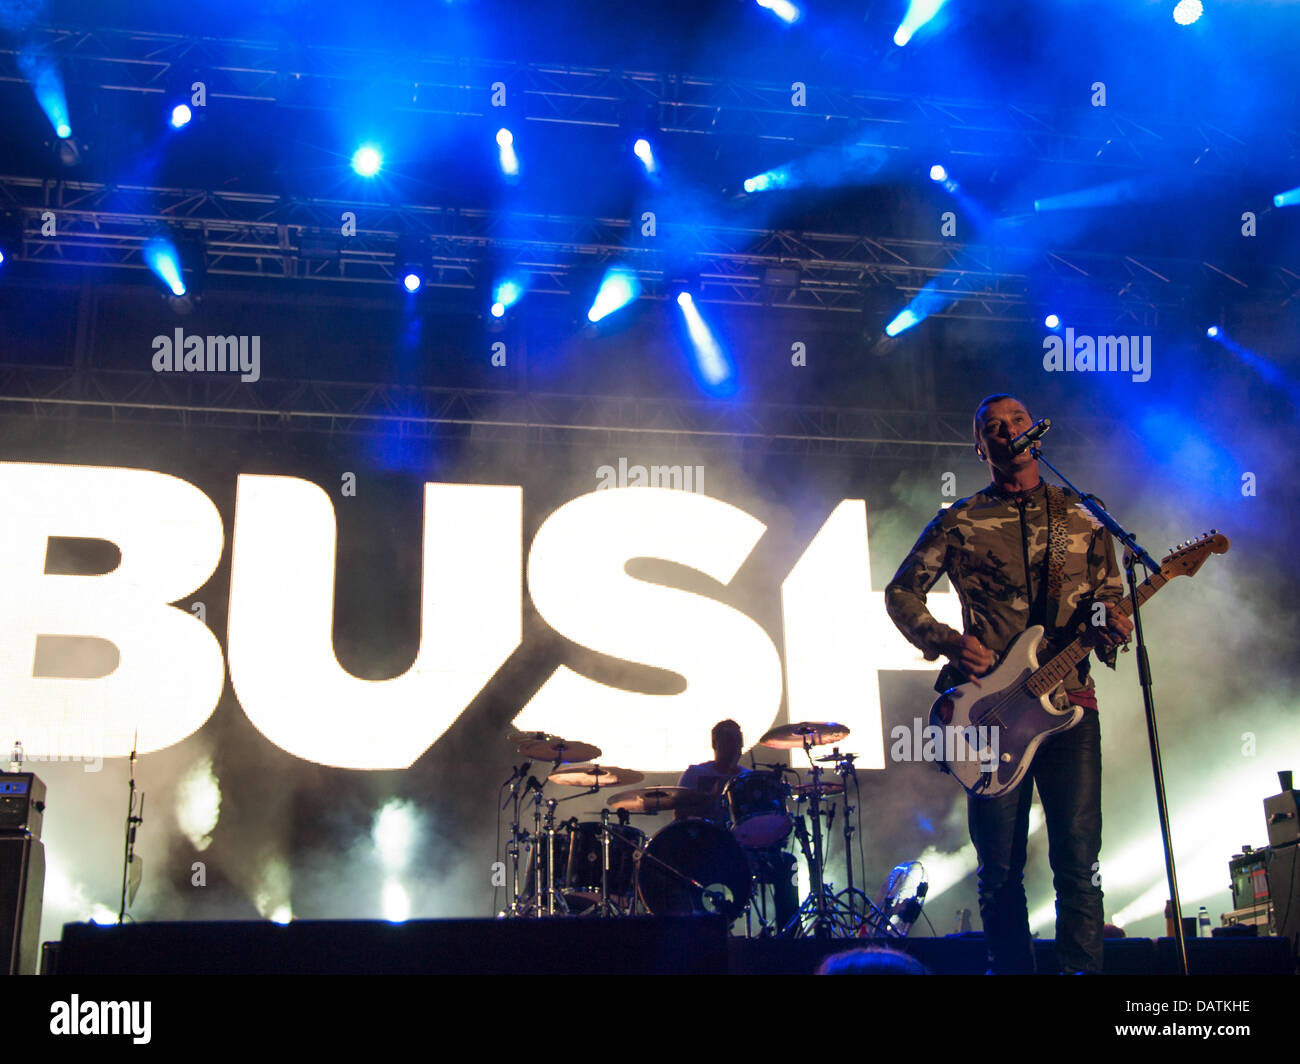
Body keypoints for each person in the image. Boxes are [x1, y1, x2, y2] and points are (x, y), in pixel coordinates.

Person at [884, 394, 1133, 974]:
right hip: (990, 715)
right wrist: (947, 640)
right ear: (980, 447)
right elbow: (901, 592)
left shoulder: (1084, 514)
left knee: (1078, 862)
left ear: (1036, 434)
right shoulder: (960, 520)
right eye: (992, 427)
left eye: (1017, 420)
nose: (1007, 429)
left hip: (1069, 702)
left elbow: (1108, 596)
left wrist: (1111, 624)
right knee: (998, 870)